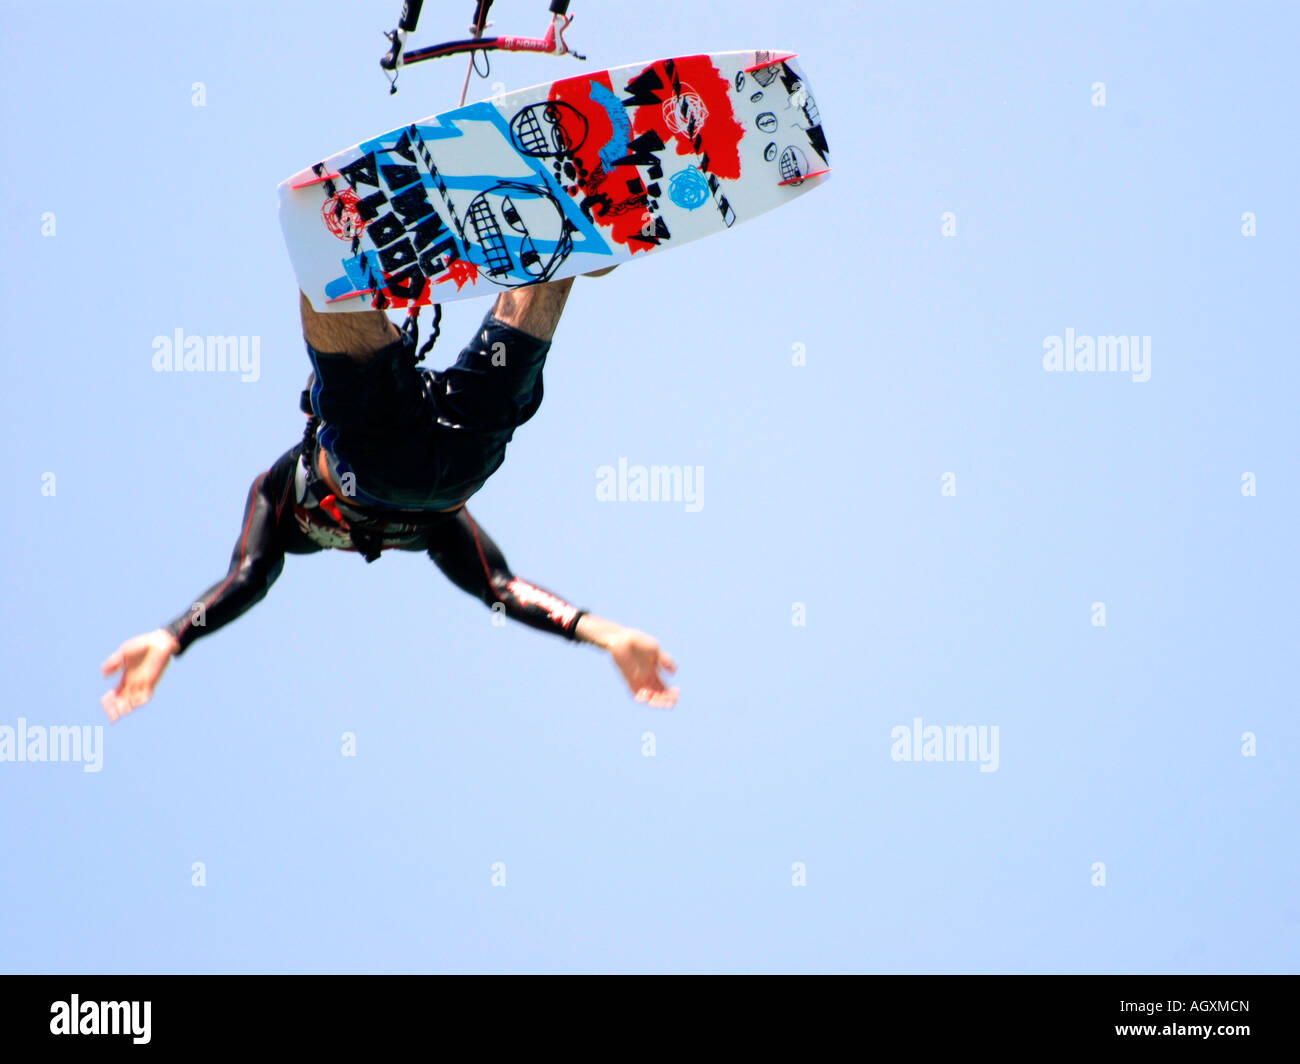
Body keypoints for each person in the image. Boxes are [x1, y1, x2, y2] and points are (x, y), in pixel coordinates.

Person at [100, 275, 679, 720]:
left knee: (506, 348)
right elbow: (500, 586)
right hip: (387, 456)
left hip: (457, 468)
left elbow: (249, 576)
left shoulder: (414, 524)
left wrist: (173, 636)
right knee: (338, 317)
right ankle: (548, 253)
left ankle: (558, 263)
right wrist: (169, 636)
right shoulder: (288, 485)